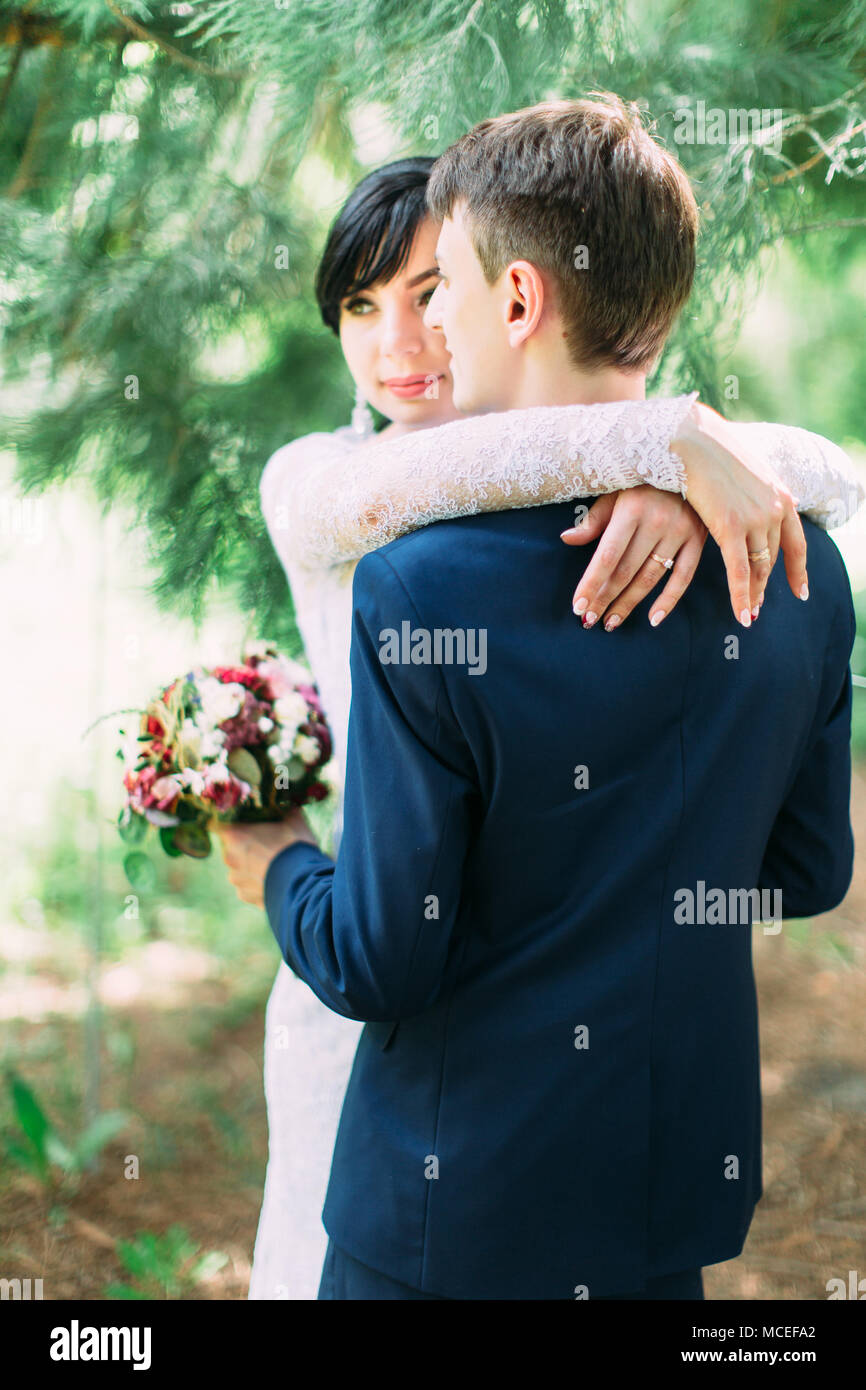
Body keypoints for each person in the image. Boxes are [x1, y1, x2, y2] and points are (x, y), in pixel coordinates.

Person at [223, 109, 861, 1299]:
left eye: (442, 288)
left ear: (516, 299)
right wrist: (668, 439)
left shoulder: (419, 584)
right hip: (660, 1210)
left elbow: (378, 960)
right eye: (366, 305)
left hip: (440, 1214)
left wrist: (269, 857)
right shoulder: (800, 574)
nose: (422, 335)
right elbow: (806, 869)